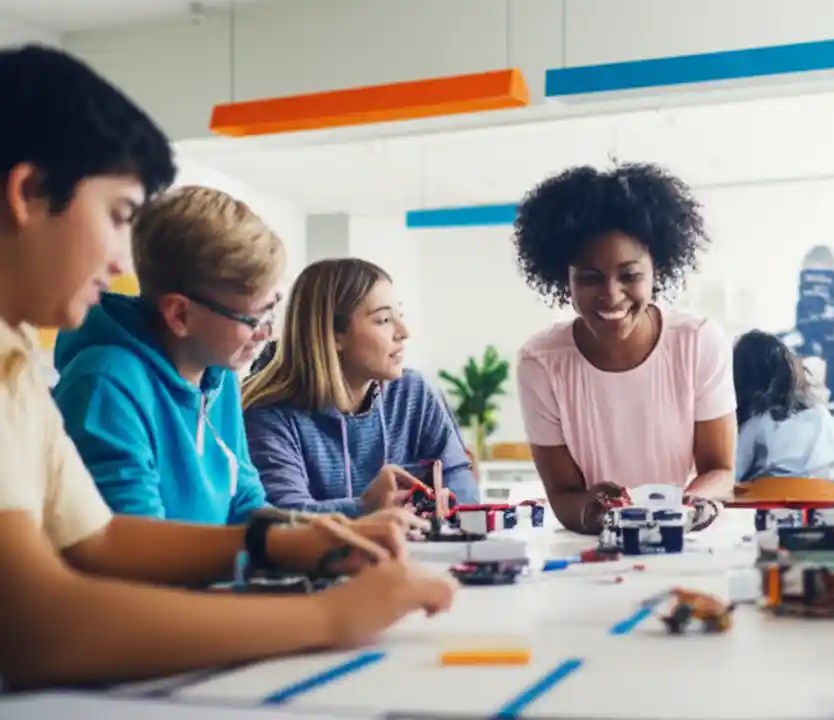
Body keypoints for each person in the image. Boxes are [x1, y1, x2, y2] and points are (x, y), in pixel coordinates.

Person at [0, 44, 454, 691]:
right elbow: (37, 629)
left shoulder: (15, 365)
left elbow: (99, 539)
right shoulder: (98, 375)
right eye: (117, 215)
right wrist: (327, 617)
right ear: (29, 194)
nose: (119, 262)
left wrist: (282, 542)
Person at [513, 163, 736, 534]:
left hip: (684, 541)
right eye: (589, 278)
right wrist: (594, 509)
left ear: (656, 271)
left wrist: (689, 506)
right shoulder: (540, 363)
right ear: (564, 279)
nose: (611, 295)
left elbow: (720, 470)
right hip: (593, 551)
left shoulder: (697, 341)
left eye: (630, 276)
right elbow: (563, 495)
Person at [52, 185, 281, 524]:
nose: (268, 332)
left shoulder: (220, 374)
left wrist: (335, 537)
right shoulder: (104, 384)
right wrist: (277, 547)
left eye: (272, 309)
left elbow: (246, 502)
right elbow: (137, 546)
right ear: (179, 315)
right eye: (253, 319)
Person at [243, 258, 480, 516]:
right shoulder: (269, 416)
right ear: (334, 335)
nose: (403, 332)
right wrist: (365, 507)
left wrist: (449, 505)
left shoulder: (414, 393)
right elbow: (283, 516)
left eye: (400, 315)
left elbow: (459, 480)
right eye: (383, 320)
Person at [733, 329, 834, 483]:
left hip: (767, 501)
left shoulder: (754, 423)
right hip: (825, 500)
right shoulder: (820, 415)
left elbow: (731, 475)